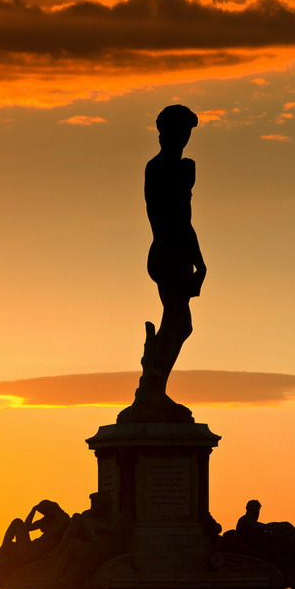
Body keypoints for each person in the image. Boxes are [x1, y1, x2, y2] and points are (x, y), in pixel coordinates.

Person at [128, 104, 206, 418]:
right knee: (178, 322)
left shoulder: (176, 166)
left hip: (172, 251)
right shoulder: (169, 168)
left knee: (180, 324)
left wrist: (197, 259)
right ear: (164, 132)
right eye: (180, 131)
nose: (184, 137)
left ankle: (153, 388)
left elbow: (183, 218)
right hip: (170, 251)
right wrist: (198, 261)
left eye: (187, 132)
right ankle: (152, 390)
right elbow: (176, 218)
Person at [235, 500, 295, 589]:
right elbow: (261, 527)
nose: (257, 513)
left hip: (270, 544)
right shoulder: (244, 520)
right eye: (256, 511)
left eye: (258, 511)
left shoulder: (252, 522)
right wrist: (276, 526)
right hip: (268, 546)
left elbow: (263, 527)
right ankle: (293, 558)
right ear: (249, 510)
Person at [0, 500, 70, 589]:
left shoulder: (63, 518)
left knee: (17, 522)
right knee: (8, 547)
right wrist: (33, 511)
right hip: (32, 547)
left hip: (33, 553)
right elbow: (27, 527)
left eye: (44, 511)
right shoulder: (46, 519)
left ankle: (2, 552)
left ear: (51, 508)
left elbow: (62, 534)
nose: (44, 514)